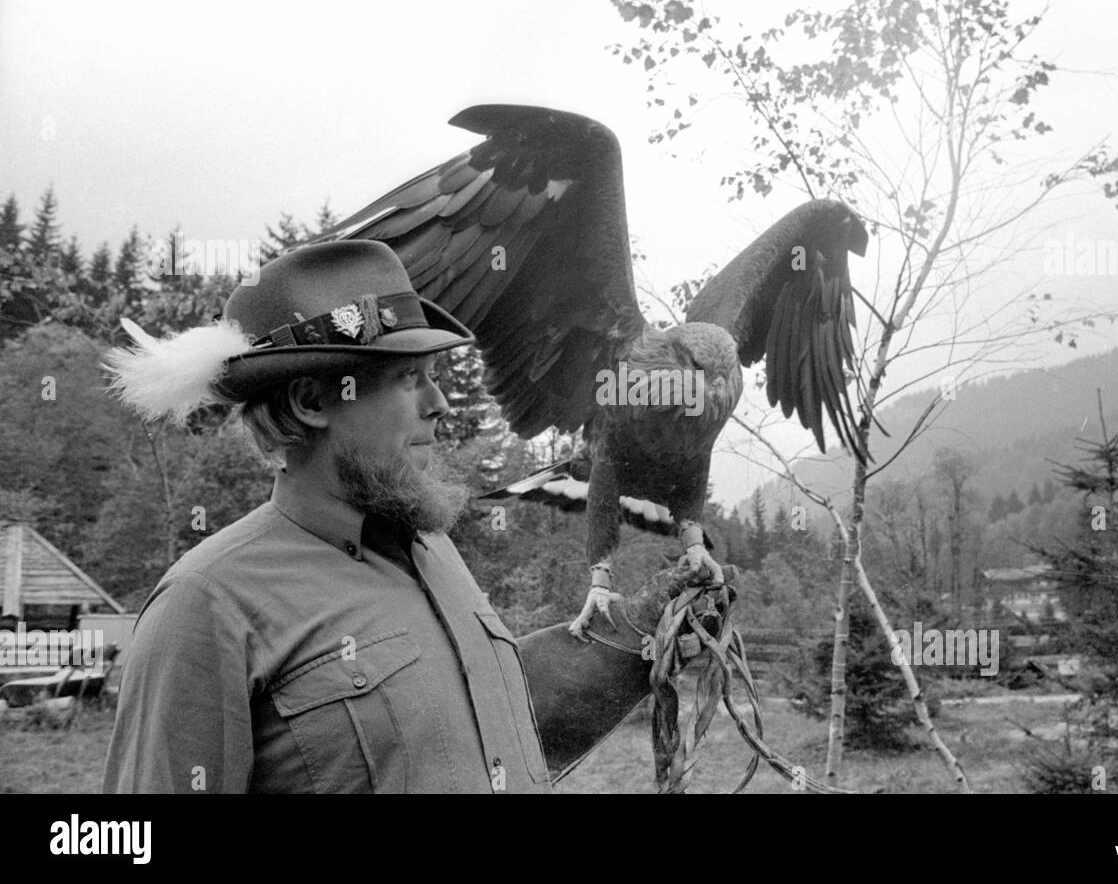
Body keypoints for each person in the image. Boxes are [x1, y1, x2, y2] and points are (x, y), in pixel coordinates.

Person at [101, 241, 703, 793]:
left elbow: (473, 738)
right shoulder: (205, 605)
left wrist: (635, 637)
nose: (439, 405)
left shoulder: (435, 552)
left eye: (434, 377)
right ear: (312, 402)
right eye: (409, 379)